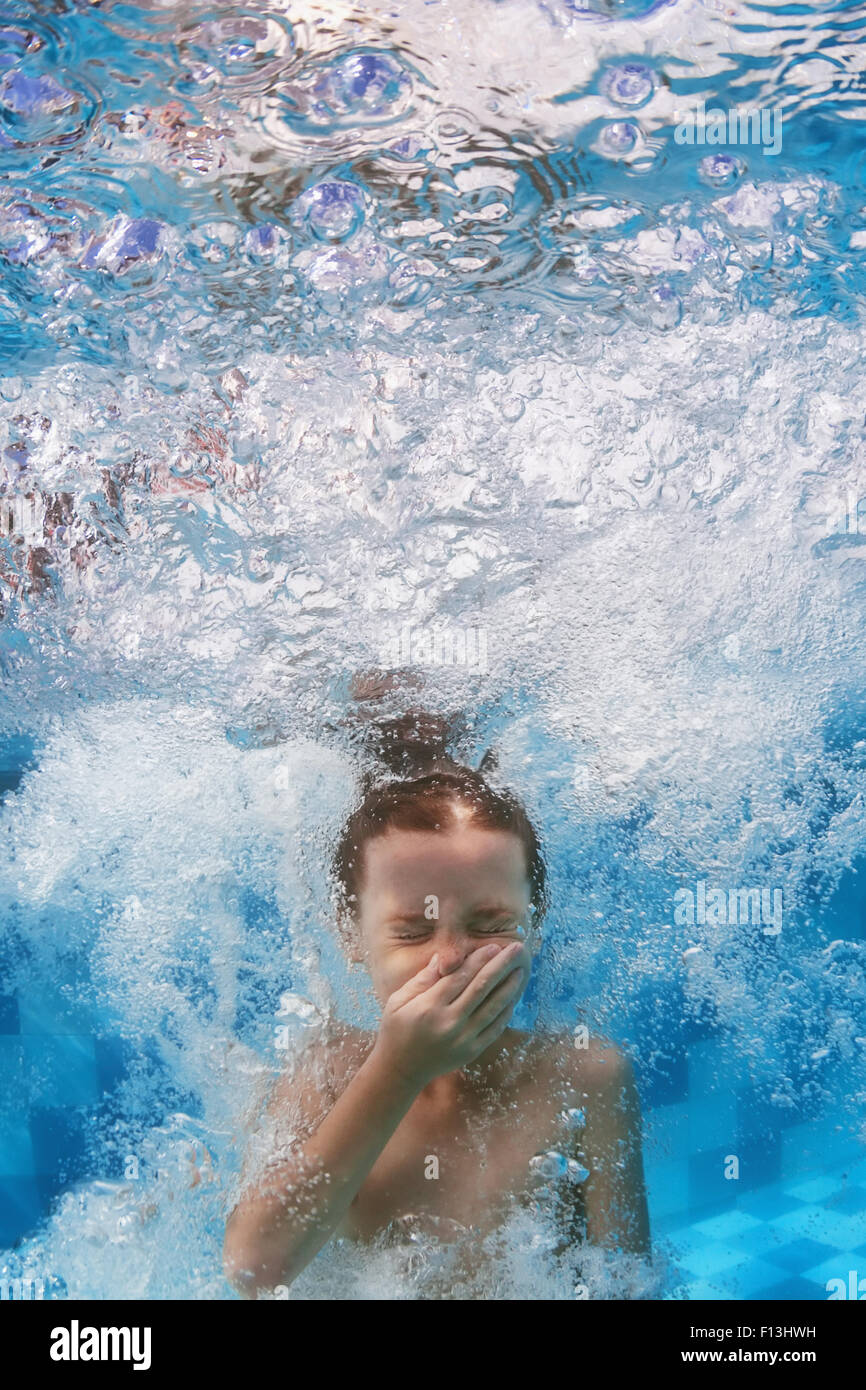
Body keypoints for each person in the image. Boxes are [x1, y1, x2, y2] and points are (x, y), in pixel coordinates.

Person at [223, 675, 650, 1297]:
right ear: (352, 936)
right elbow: (252, 1269)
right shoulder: (326, 1074)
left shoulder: (585, 1078)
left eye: (491, 924)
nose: (450, 958)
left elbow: (629, 1285)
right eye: (411, 931)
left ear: (535, 923)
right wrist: (399, 1068)